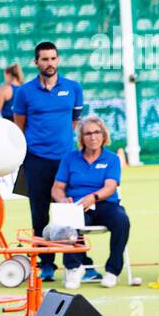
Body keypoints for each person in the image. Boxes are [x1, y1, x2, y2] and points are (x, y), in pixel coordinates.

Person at [12, 42, 85, 283]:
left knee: (69, 211)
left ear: (58, 60)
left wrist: (61, 145)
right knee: (40, 214)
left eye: (53, 58)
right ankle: (46, 264)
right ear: (36, 62)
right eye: (44, 59)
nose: (50, 63)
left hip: (66, 160)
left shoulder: (74, 88)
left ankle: (77, 263)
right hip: (36, 161)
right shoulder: (24, 92)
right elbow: (19, 127)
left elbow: (74, 122)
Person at [51, 115, 129, 289]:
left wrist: (93, 197)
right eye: (88, 134)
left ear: (103, 135)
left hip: (105, 204)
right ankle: (73, 268)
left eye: (96, 132)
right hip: (78, 207)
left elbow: (110, 187)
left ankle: (112, 270)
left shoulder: (112, 159)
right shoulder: (70, 158)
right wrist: (62, 199)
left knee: (122, 220)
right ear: (81, 138)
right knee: (69, 222)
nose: (93, 137)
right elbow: (56, 188)